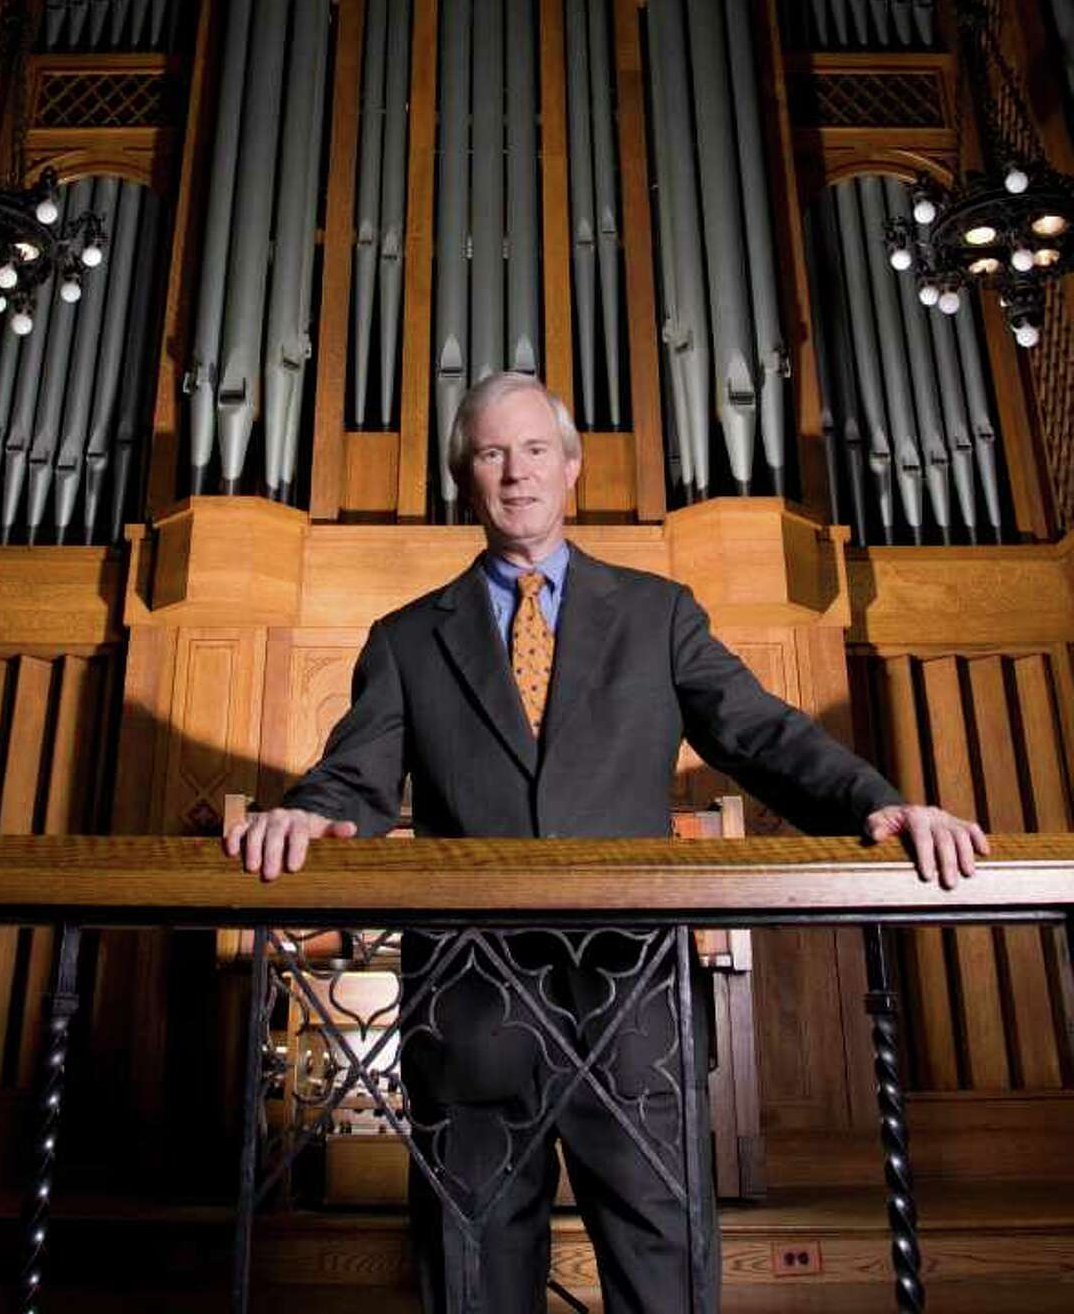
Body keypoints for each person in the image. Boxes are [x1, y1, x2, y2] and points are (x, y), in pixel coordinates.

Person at [226, 372, 987, 1313]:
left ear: (572, 467)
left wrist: (878, 804)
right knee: (472, 1278)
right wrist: (310, 811)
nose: (516, 473)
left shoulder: (659, 612)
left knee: (661, 1269)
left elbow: (762, 732)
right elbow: (355, 776)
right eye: (492, 453)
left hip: (635, 1009)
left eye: (535, 449)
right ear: (466, 476)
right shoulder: (406, 636)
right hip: (470, 1009)